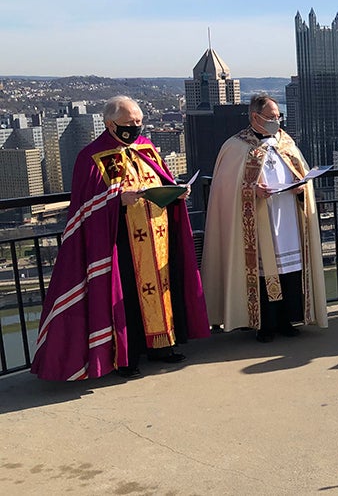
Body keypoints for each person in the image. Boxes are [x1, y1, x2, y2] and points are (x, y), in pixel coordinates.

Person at [31, 96, 209, 380]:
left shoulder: (146, 148)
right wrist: (118, 201)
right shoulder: (92, 156)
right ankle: (127, 357)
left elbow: (162, 180)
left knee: (162, 291)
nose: (136, 128)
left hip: (157, 237)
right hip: (119, 243)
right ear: (109, 123)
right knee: (124, 299)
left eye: (139, 121)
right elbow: (85, 209)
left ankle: (162, 347)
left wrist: (176, 192)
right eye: (129, 123)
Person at [202, 94, 327, 342]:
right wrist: (251, 191)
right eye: (271, 117)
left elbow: (302, 174)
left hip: (289, 218)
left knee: (290, 271)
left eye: (278, 116)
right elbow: (224, 190)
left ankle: (287, 320)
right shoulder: (236, 146)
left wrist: (301, 188)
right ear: (254, 117)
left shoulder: (286, 142)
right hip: (258, 221)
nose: (276, 121)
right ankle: (264, 324)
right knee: (262, 271)